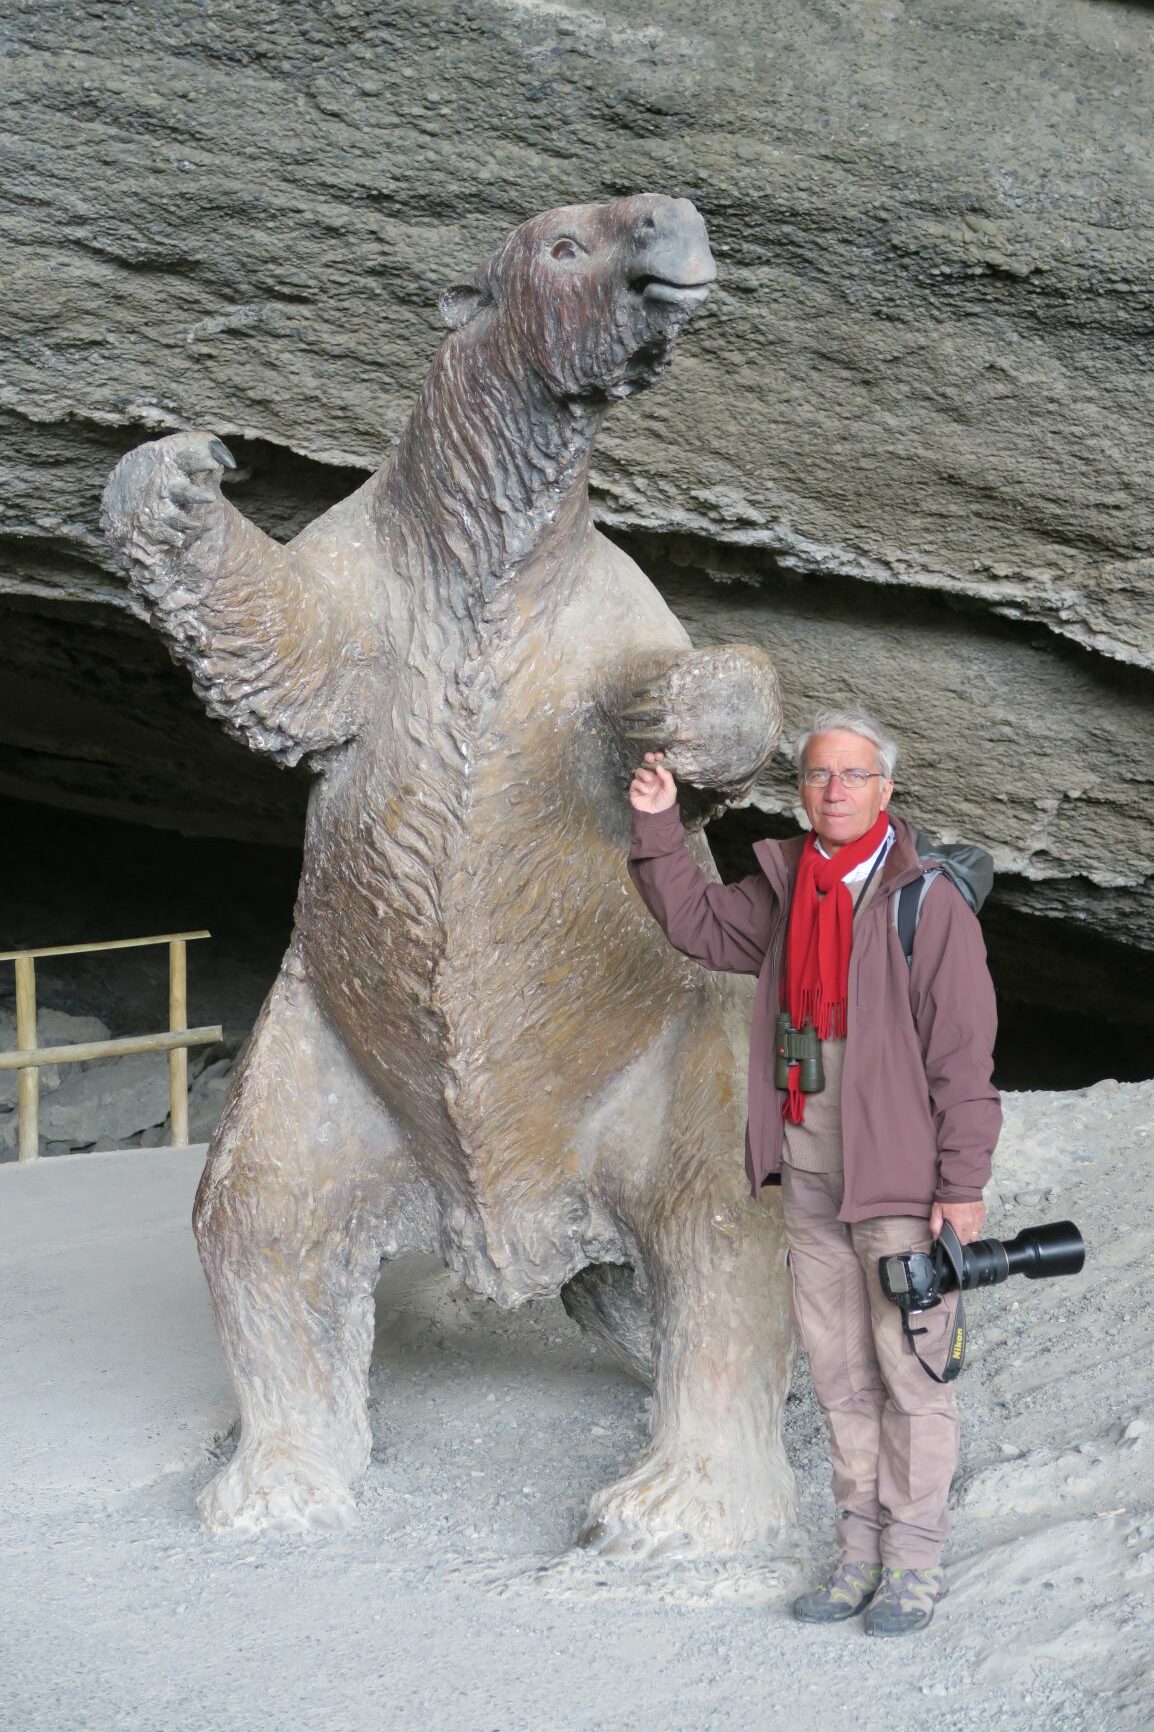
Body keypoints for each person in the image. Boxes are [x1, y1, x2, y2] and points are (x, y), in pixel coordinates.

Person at [627, 710, 1000, 1637]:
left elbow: (963, 1058)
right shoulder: (788, 886)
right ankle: (857, 1553)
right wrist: (661, 826)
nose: (833, 790)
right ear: (804, 790)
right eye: (817, 776)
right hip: (807, 1159)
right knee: (838, 1373)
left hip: (903, 1174)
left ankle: (913, 1563)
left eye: (853, 776)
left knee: (909, 1372)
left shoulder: (927, 902)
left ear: (886, 790)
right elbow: (700, 927)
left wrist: (961, 1186)